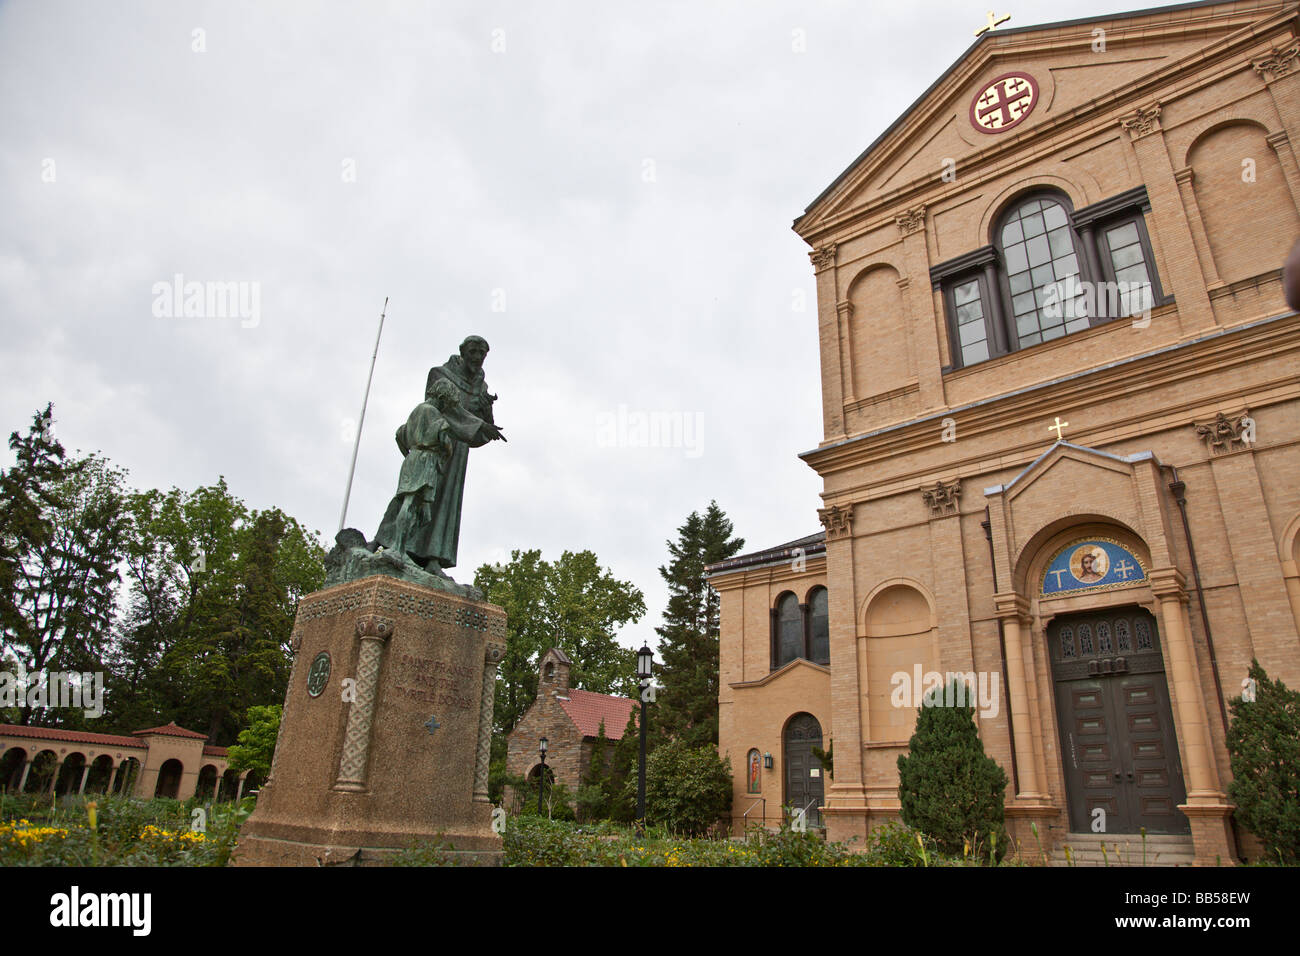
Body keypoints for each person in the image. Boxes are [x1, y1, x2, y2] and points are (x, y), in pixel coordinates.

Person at [373, 379, 460, 569]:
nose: (447, 407)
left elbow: (399, 434)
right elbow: (444, 440)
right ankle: (398, 547)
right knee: (412, 504)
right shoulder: (433, 413)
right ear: (444, 397)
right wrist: (445, 451)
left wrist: (409, 454)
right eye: (448, 403)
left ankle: (399, 546)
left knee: (416, 507)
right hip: (427, 460)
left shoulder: (417, 411)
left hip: (413, 458)